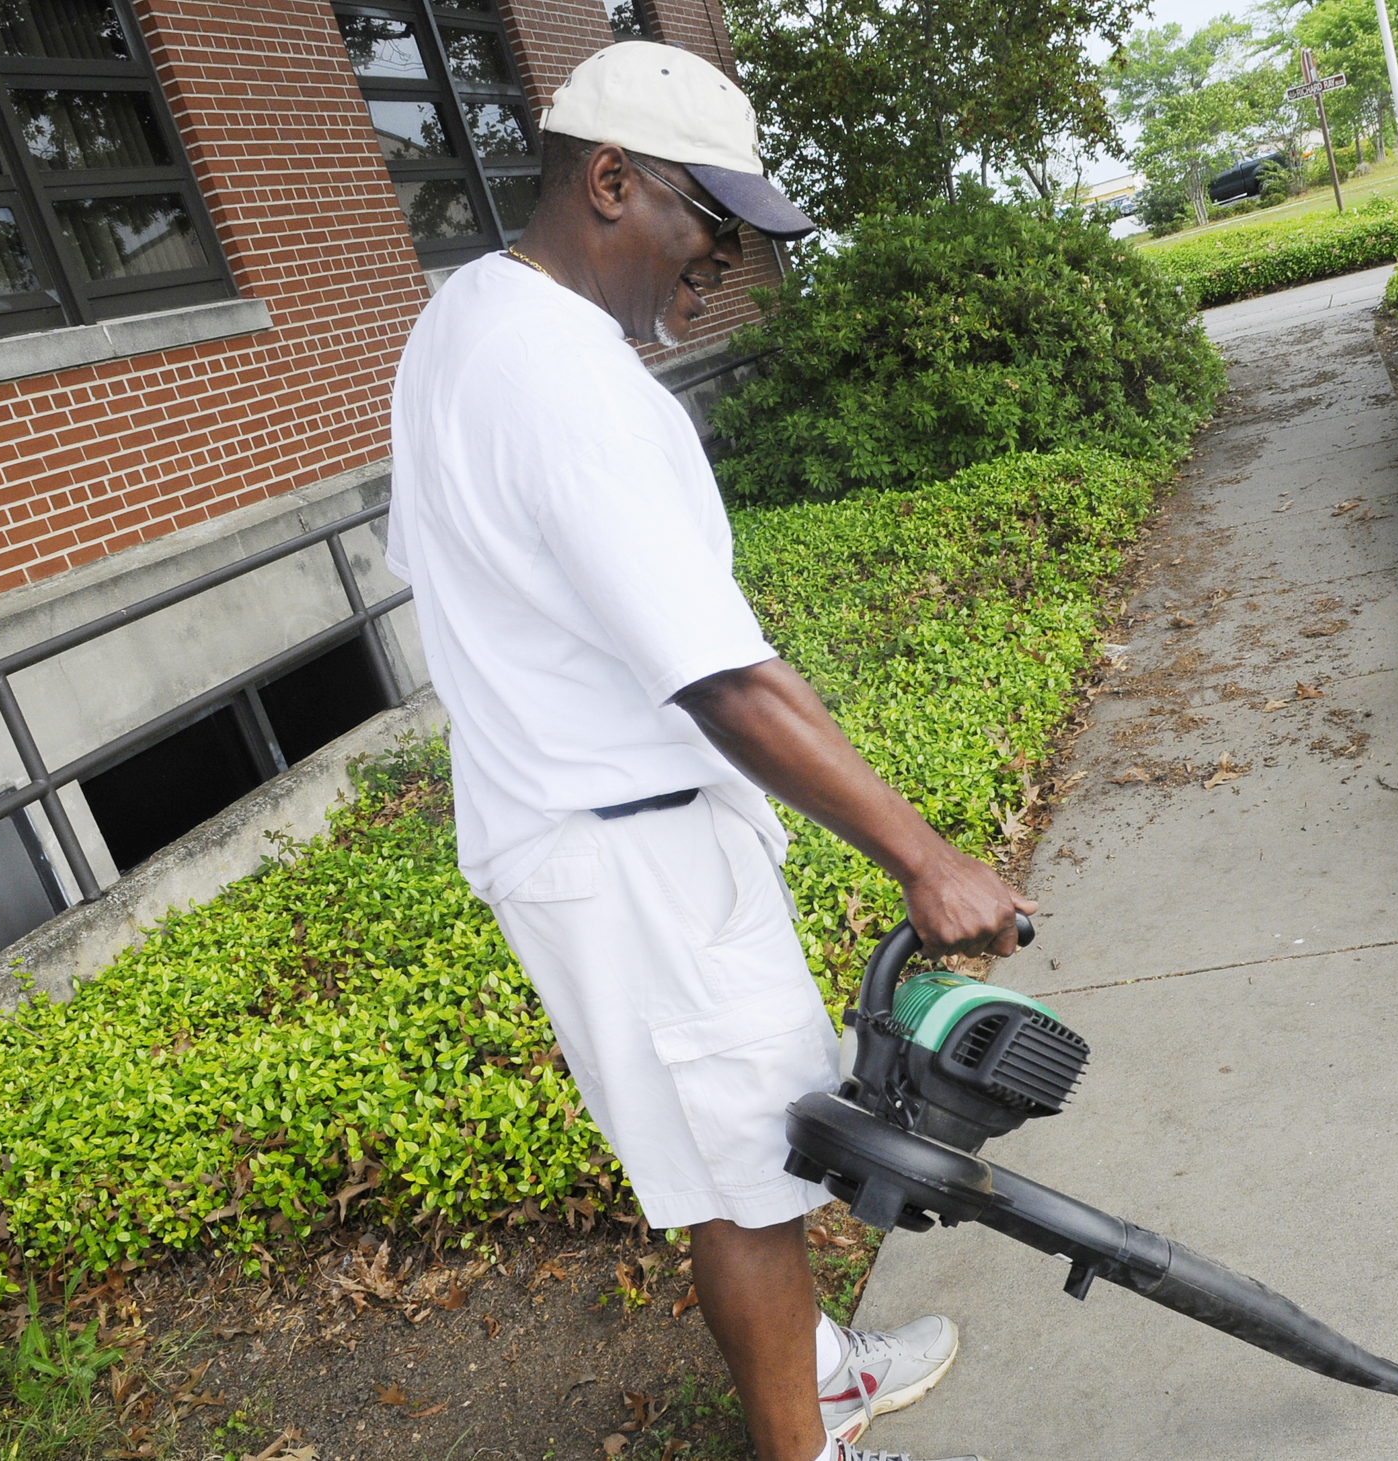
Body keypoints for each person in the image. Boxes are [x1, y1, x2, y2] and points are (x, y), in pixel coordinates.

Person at [384, 40, 1032, 1461]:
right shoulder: (564, 382)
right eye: (708, 221)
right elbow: (724, 677)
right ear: (610, 180)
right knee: (749, 1183)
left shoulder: (466, 322)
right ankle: (813, 1450)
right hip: (632, 850)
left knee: (736, 1145)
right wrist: (926, 857)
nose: (719, 261)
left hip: (603, 837)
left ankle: (824, 1375)